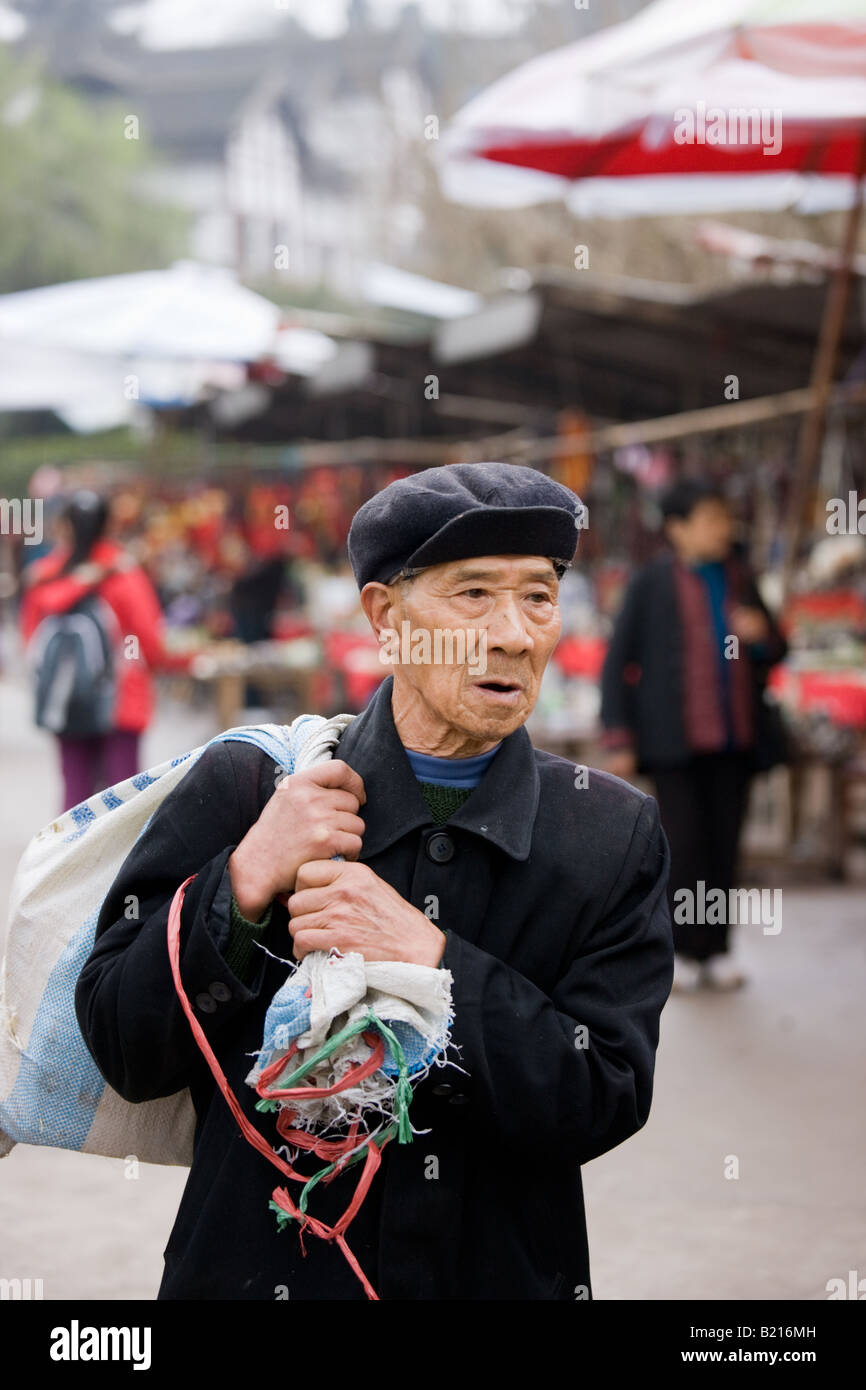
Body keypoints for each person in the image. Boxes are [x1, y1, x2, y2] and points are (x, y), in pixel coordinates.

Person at [75, 462, 674, 1301]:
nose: (514, 633)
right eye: (472, 595)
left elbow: (601, 1096)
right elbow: (123, 1047)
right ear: (386, 618)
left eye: (539, 597)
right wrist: (244, 878)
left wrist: (431, 965)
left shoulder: (607, 834)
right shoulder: (253, 788)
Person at [600, 478, 787, 993]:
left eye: (724, 519)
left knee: (727, 847)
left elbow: (777, 649)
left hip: (735, 741)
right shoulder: (651, 583)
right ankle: (682, 948)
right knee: (683, 849)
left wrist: (762, 635)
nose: (722, 529)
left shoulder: (740, 578)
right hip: (673, 743)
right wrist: (619, 736)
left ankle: (719, 949)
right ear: (678, 529)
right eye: (710, 519)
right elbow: (619, 662)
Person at [19, 489, 190, 811]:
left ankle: (72, 859)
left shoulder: (45, 577)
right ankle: (122, 864)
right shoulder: (123, 573)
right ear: (109, 525)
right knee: (122, 803)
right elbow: (150, 641)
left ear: (65, 526)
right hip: (122, 699)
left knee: (76, 800)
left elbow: (30, 640)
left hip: (67, 699)